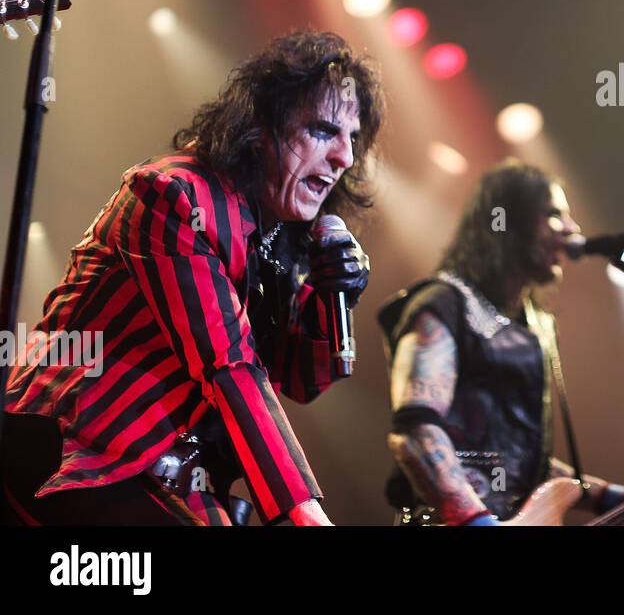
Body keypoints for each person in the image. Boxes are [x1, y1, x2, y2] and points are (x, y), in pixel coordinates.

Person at [1, 29, 383, 525]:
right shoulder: (175, 195)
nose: (345, 157)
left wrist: (330, 296)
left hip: (168, 472)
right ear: (262, 124)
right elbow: (229, 366)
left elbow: (299, 379)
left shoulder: (277, 233)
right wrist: (304, 513)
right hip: (78, 445)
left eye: (352, 139)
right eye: (323, 130)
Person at [379, 159, 624, 526]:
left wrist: (623, 497)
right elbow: (415, 428)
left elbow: (524, 462)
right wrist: (476, 521)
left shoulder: (533, 324)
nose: (571, 228)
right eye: (552, 214)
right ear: (510, 224)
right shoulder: (443, 303)